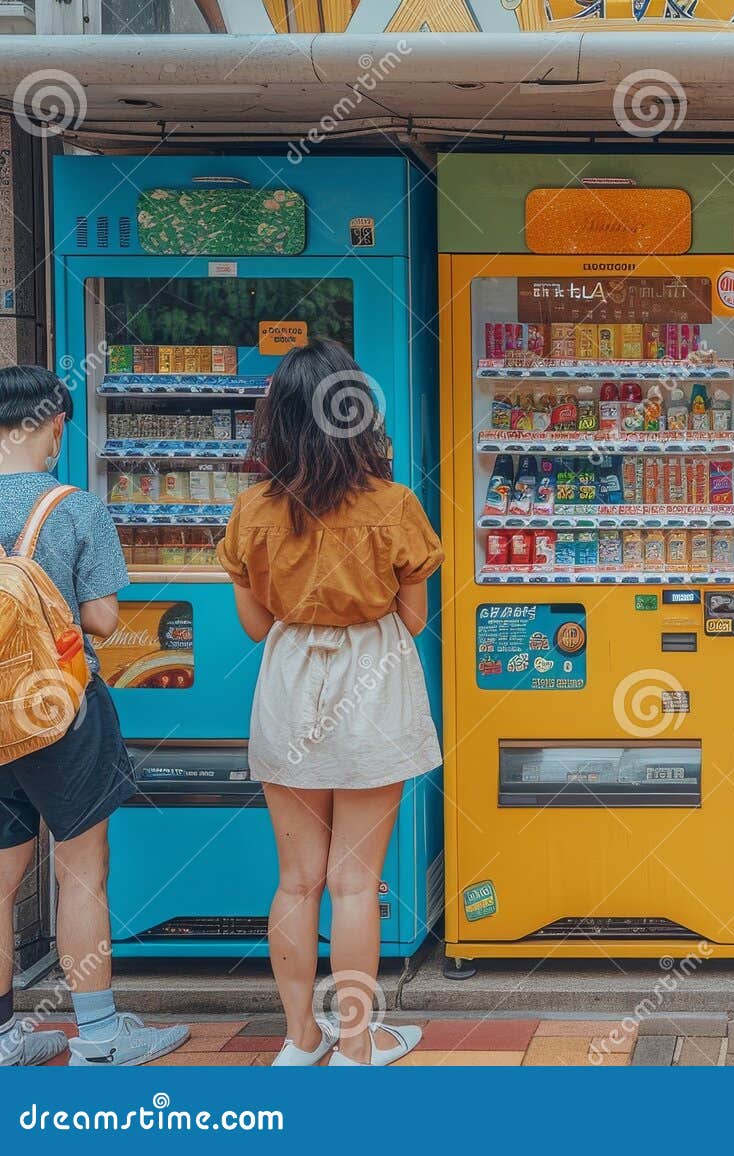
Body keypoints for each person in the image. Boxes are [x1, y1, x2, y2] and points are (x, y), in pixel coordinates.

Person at [218, 341, 442, 1067]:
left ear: (275, 419)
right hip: (372, 679)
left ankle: (299, 1039)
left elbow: (255, 626)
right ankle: (356, 1042)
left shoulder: (251, 508)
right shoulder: (395, 504)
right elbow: (412, 619)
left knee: (296, 879)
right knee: (353, 881)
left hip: (290, 682)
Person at [0, 365, 190, 1067]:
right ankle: (102, 1040)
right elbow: (103, 619)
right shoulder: (73, 507)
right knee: (82, 871)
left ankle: (5, 1039)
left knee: (0, 877)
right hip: (61, 708)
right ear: (54, 426)